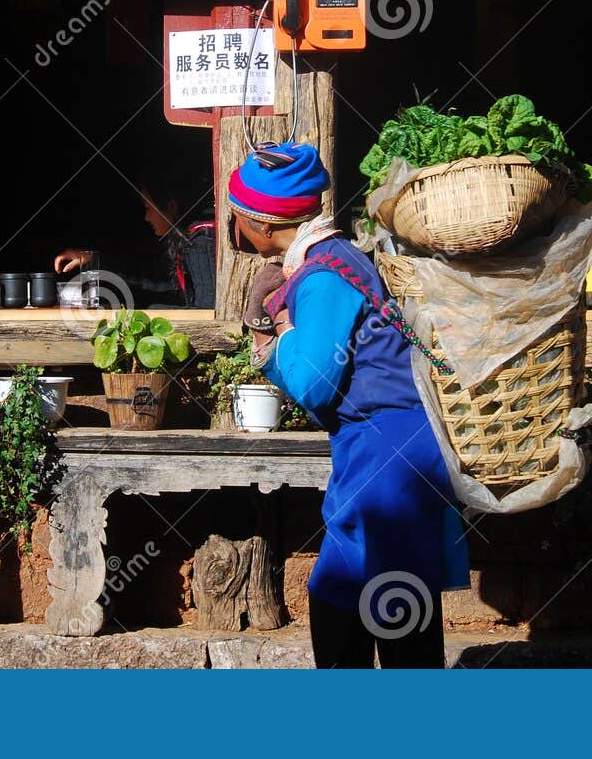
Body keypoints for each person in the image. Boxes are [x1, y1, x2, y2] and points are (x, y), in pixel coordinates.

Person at [230, 141, 468, 669]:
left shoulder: (319, 277)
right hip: (391, 446)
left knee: (372, 601)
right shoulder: (337, 256)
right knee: (372, 598)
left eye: (237, 218)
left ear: (263, 224)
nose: (234, 229)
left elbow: (313, 382)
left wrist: (272, 337)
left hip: (387, 453)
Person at [54, 176, 215, 309]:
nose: (146, 217)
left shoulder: (200, 243)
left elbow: (207, 311)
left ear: (171, 206)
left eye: (147, 208)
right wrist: (92, 260)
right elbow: (156, 279)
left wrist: (152, 312)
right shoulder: (184, 242)